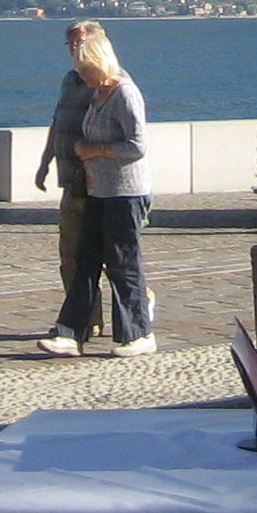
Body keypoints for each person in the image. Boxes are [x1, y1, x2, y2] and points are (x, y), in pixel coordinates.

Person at [41, 24, 154, 358]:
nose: (82, 76)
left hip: (125, 192)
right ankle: (70, 332)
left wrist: (96, 151)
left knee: (122, 262)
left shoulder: (125, 93)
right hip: (97, 190)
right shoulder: (95, 93)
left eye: (86, 69)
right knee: (85, 259)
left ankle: (138, 332)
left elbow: (137, 146)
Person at [31, 21, 103, 355]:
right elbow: (58, 122)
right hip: (68, 178)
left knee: (110, 257)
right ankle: (85, 318)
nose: (75, 50)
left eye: (80, 43)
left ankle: (134, 306)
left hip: (95, 180)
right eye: (70, 45)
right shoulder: (70, 80)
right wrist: (45, 161)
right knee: (70, 253)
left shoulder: (104, 82)